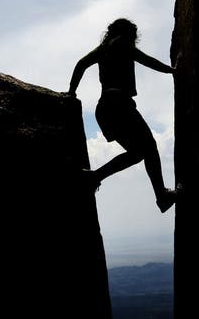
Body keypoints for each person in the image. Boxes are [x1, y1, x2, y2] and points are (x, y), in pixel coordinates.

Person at [67, 17, 177, 213]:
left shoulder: (103, 49)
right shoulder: (123, 42)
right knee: (149, 147)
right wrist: (171, 70)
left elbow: (80, 64)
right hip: (120, 106)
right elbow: (146, 60)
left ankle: (95, 177)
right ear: (128, 33)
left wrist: (71, 92)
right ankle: (161, 196)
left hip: (104, 109)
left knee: (138, 153)